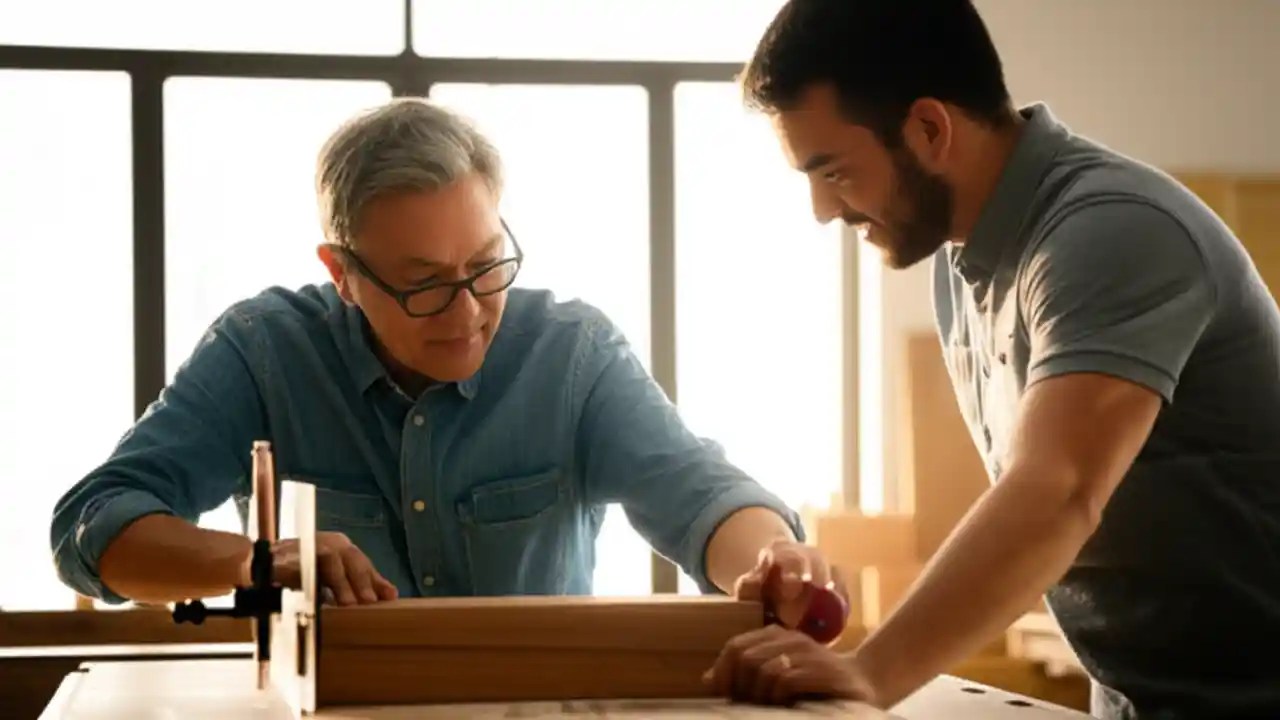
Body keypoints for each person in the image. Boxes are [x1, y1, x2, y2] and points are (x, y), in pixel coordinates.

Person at [50, 98, 836, 624]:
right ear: (342, 273)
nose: (467, 314)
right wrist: (261, 560)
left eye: (486, 267)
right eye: (423, 285)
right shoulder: (263, 352)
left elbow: (703, 496)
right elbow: (91, 531)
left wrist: (772, 558)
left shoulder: (570, 354)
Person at [704, 1, 1280, 718]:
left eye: (836, 172)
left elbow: (1058, 489)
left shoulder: (1114, 231)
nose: (824, 209)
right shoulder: (963, 261)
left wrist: (872, 672)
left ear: (929, 128)